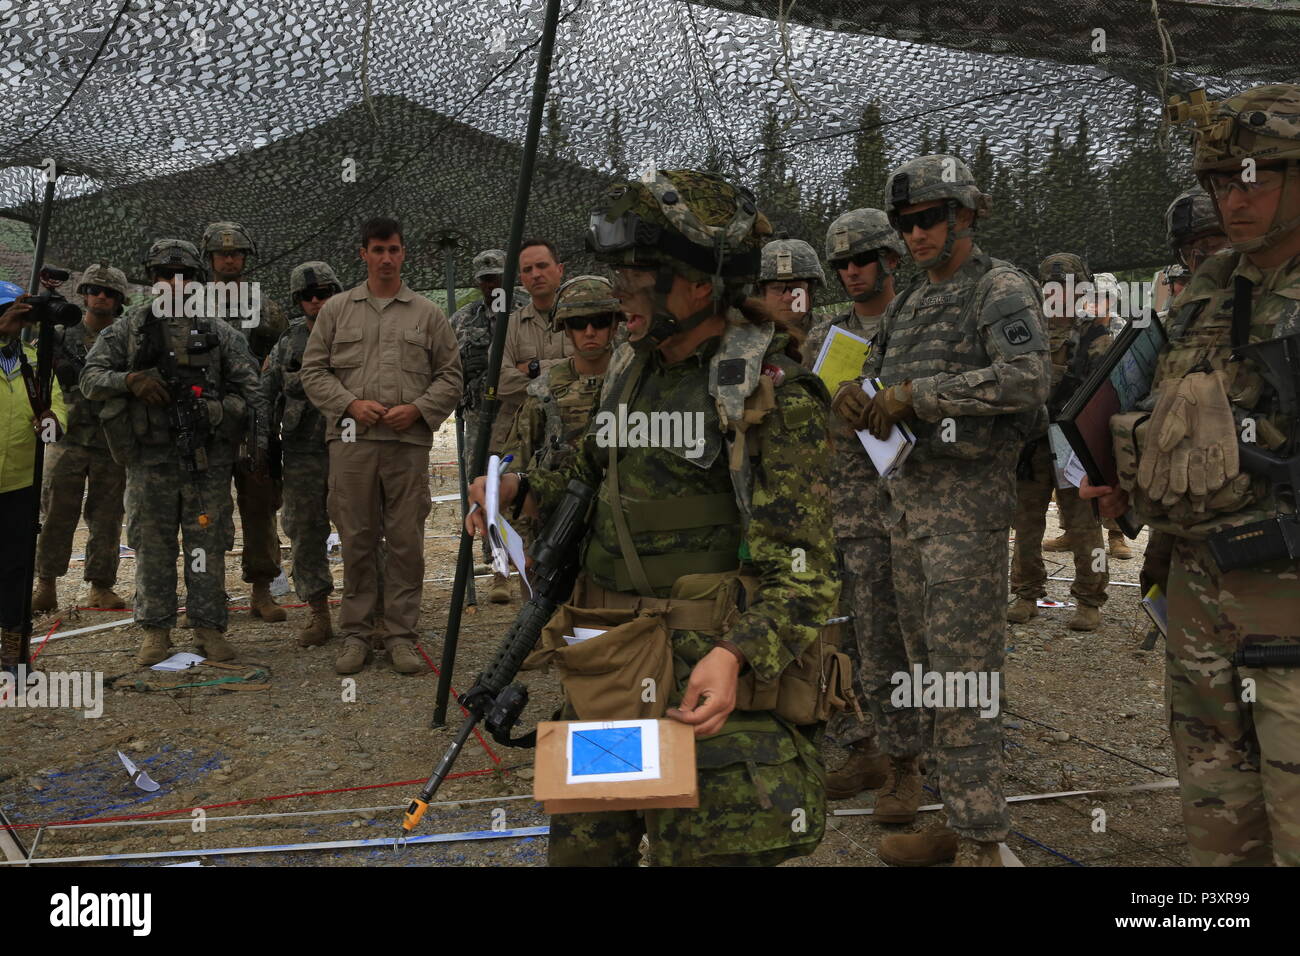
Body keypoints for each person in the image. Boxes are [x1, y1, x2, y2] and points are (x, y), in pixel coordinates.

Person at [468, 169, 838, 866]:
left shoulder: (770, 395)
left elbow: (807, 573)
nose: (621, 290)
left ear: (699, 283)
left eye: (640, 271)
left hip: (704, 687)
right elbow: (588, 481)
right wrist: (517, 491)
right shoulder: (629, 372)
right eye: (618, 270)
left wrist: (737, 656)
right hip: (609, 669)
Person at [1083, 84, 1300, 865]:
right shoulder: (1211, 289)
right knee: (1218, 814)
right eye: (1219, 183)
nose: (1232, 201)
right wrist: (1118, 473)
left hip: (1288, 597)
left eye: (1253, 178)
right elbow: (1166, 409)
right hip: (1201, 585)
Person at [836, 154, 1050, 866]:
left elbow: (1026, 380)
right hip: (907, 508)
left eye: (928, 219)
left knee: (966, 676)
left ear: (964, 216)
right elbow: (884, 382)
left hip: (965, 516)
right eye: (906, 224)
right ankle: (957, 820)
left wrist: (917, 397)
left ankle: (990, 842)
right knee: (930, 674)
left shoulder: (999, 286)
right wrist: (861, 396)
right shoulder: (910, 303)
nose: (917, 234)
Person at [80, 239, 266, 666]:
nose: (174, 283)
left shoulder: (218, 333)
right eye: (165, 275)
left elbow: (252, 393)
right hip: (150, 461)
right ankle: (156, 631)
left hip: (205, 462)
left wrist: (214, 411)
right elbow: (91, 377)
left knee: (206, 545)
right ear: (153, 280)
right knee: (152, 546)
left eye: (183, 276)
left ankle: (207, 628)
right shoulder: (128, 329)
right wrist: (130, 381)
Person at [301, 217, 462, 675]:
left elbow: (450, 376)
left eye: (393, 249)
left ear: (404, 253)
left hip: (407, 443)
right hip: (352, 443)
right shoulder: (336, 310)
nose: (386, 258)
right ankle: (356, 634)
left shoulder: (427, 314)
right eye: (377, 250)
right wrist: (350, 404)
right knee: (357, 539)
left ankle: (400, 636)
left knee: (407, 540)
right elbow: (313, 372)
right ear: (363, 254)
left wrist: (419, 409)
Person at [803, 208, 918, 809]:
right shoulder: (827, 339)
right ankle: (864, 747)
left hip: (907, 514)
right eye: (841, 263)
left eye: (862, 259)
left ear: (890, 260)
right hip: (841, 516)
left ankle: (910, 763)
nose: (850, 271)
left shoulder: (917, 325)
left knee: (894, 646)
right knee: (842, 641)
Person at [1007, 253, 1112, 631]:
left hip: (1072, 444)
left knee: (1083, 523)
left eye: (1065, 288)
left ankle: (1089, 599)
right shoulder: (1027, 331)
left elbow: (1102, 386)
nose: (1057, 296)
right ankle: (1025, 593)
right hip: (1033, 441)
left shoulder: (1093, 333)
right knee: (1027, 523)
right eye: (1051, 288)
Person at [200, 221, 289, 622]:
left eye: (236, 253)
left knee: (259, 506)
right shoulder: (193, 304)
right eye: (223, 253)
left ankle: (262, 590)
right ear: (211, 259)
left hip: (255, 421)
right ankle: (209, 592)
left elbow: (284, 351)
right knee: (206, 512)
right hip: (210, 424)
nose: (230, 258)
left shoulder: (264, 305)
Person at [32, 264, 131, 613]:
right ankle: (46, 583)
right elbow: (37, 377)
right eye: (94, 290)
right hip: (67, 436)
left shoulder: (127, 338)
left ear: (120, 300)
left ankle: (101, 586)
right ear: (84, 294)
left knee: (106, 516)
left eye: (109, 292)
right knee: (57, 511)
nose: (100, 296)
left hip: (111, 439)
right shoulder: (58, 335)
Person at [261, 261, 342, 648]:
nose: (316, 302)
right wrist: (262, 447)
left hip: (351, 448)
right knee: (305, 531)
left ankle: (374, 613)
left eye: (323, 293)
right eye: (307, 297)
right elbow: (265, 393)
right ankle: (318, 611)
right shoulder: (288, 343)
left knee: (364, 530)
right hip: (302, 453)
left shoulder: (357, 335)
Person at [0, 282, 67, 671]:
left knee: (15, 565)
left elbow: (56, 400)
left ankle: (12, 642)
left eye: (18, 311)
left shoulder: (31, 360)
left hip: (21, 481)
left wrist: (55, 420)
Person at [450, 248, 509, 602]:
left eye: (498, 277)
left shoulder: (524, 312)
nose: (492, 285)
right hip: (478, 420)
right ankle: (500, 569)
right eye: (486, 279)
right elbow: (448, 367)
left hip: (520, 414)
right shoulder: (461, 321)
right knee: (486, 492)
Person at [758, 237, 824, 336]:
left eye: (797, 288)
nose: (788, 298)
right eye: (777, 288)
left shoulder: (834, 334)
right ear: (762, 293)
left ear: (811, 292)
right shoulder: (738, 338)